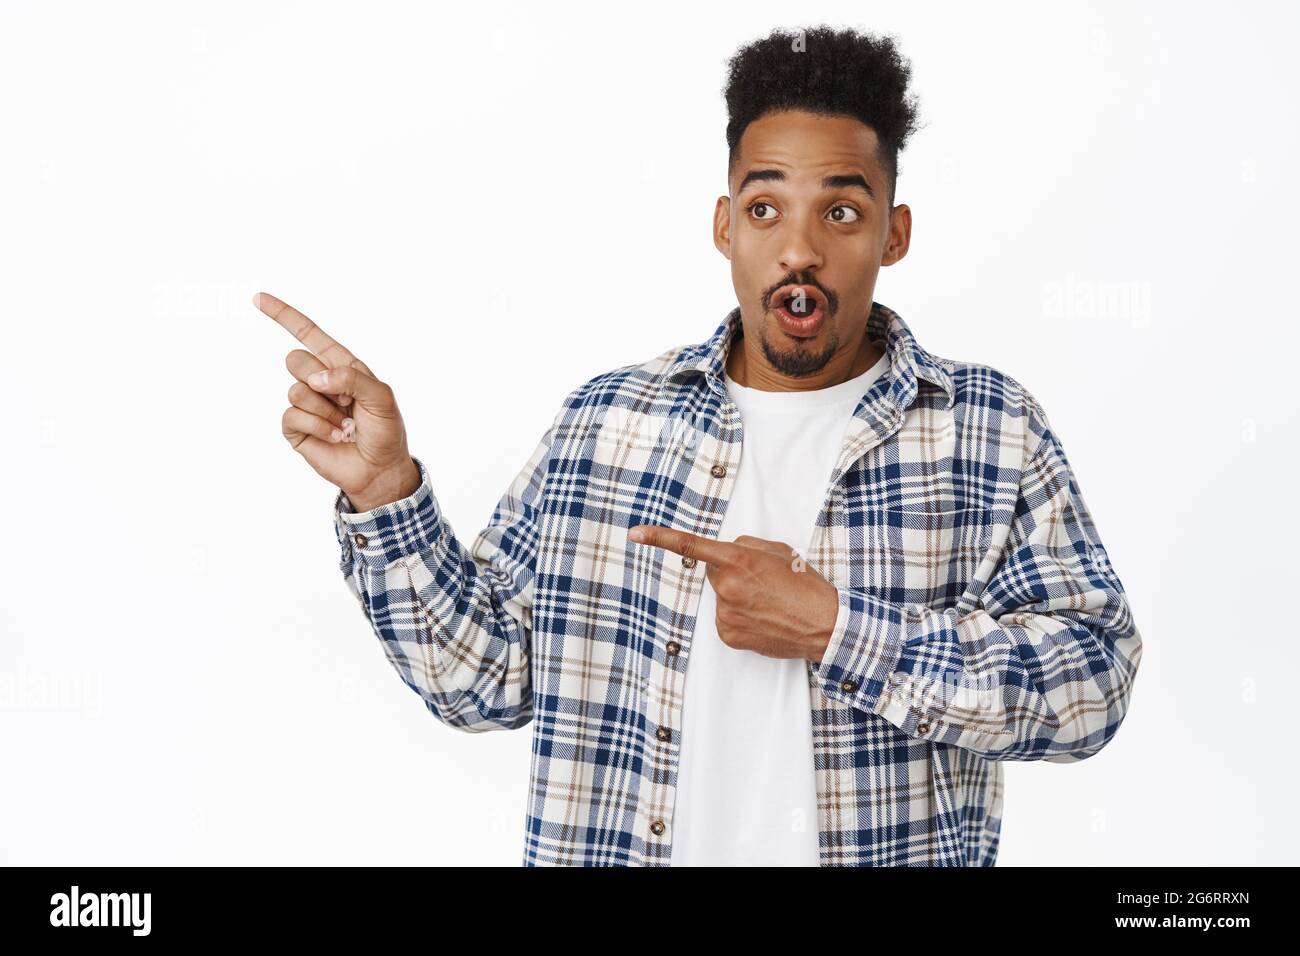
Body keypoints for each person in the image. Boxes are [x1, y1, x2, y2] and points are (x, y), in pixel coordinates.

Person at [254, 26, 1142, 866]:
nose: (799, 250)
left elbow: (1095, 685)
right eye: (766, 208)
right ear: (725, 226)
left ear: (893, 234)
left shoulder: (987, 427)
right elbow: (481, 679)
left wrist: (838, 630)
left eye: (840, 211)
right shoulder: (610, 424)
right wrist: (386, 495)